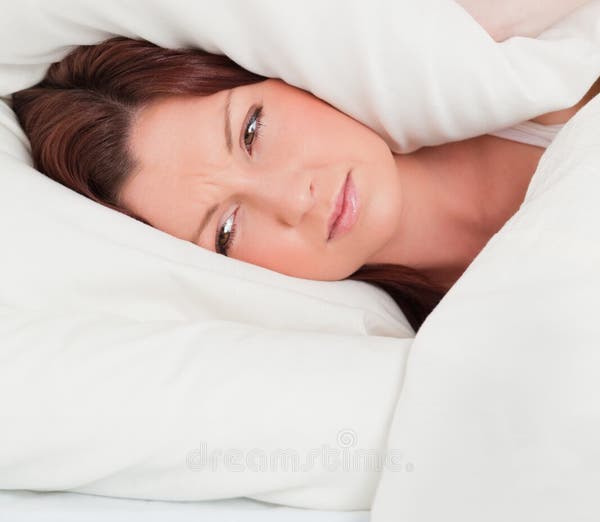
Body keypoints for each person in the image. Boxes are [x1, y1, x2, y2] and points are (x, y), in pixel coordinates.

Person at [9, 36, 600, 332]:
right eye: (227, 228)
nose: (293, 200)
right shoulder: (452, 342)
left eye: (252, 131)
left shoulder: (553, 79)